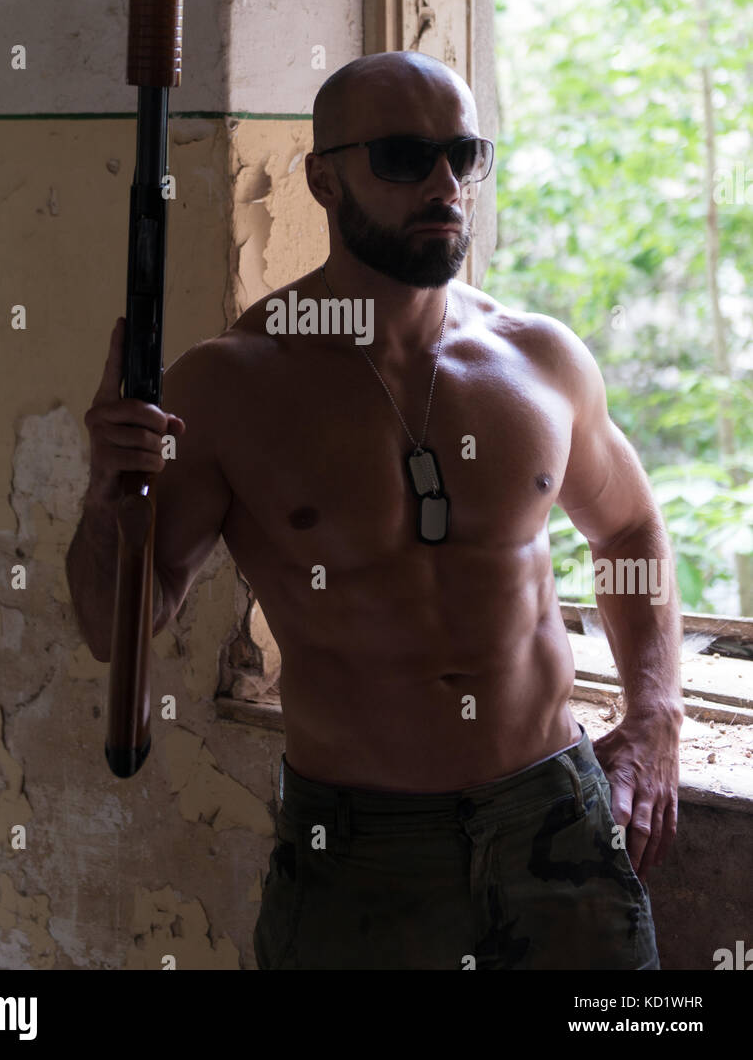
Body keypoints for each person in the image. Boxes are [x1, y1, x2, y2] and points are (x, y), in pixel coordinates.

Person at [67, 50, 682, 970]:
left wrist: (654, 713)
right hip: (360, 850)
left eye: (462, 155)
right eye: (401, 156)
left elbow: (628, 529)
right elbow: (120, 625)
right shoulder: (231, 388)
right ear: (323, 178)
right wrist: (107, 497)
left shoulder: (538, 360)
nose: (443, 183)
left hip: (554, 819)